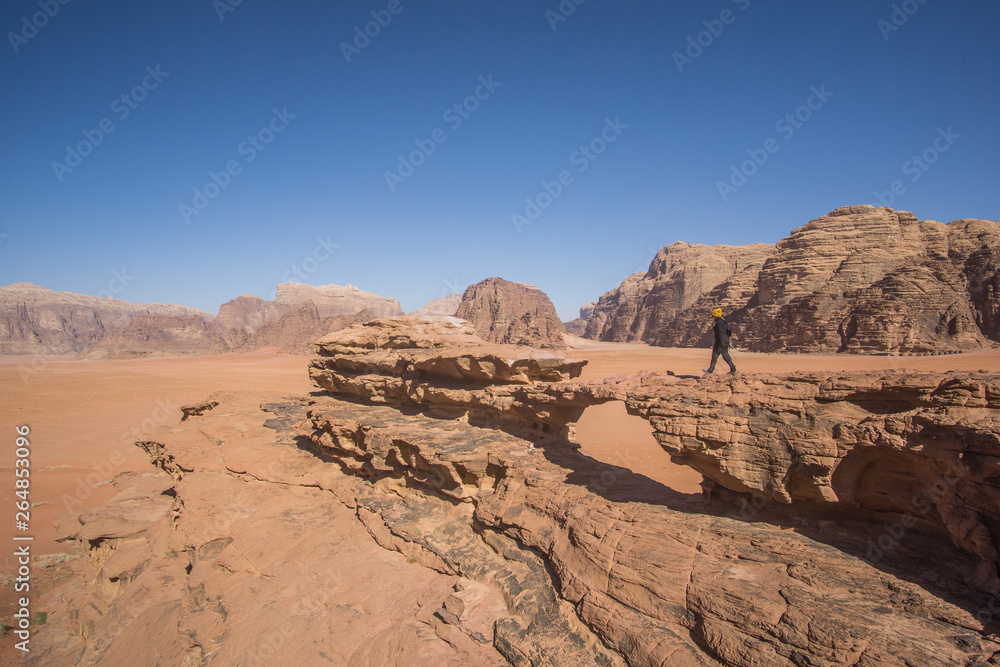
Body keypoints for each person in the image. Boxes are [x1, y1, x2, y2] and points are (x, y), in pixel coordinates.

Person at [703, 307, 737, 375]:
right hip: (725, 341)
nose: (712, 318)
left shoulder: (718, 323)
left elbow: (720, 333)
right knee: (725, 355)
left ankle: (710, 370)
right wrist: (727, 339)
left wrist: (721, 343)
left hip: (720, 342)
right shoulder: (724, 322)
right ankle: (733, 369)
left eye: (713, 316)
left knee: (715, 356)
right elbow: (729, 330)